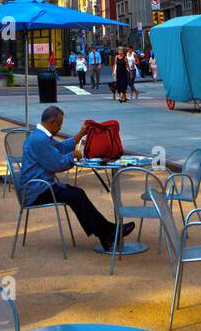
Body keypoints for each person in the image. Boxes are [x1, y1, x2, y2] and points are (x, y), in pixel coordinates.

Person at [20, 107, 135, 253]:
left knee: (77, 194)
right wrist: (72, 155)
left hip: (40, 186)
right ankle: (108, 233)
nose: (60, 127)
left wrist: (80, 134)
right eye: (59, 124)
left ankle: (107, 233)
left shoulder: (40, 136)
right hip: (37, 190)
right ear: (51, 121)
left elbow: (61, 148)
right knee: (76, 195)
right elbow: (57, 163)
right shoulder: (39, 139)